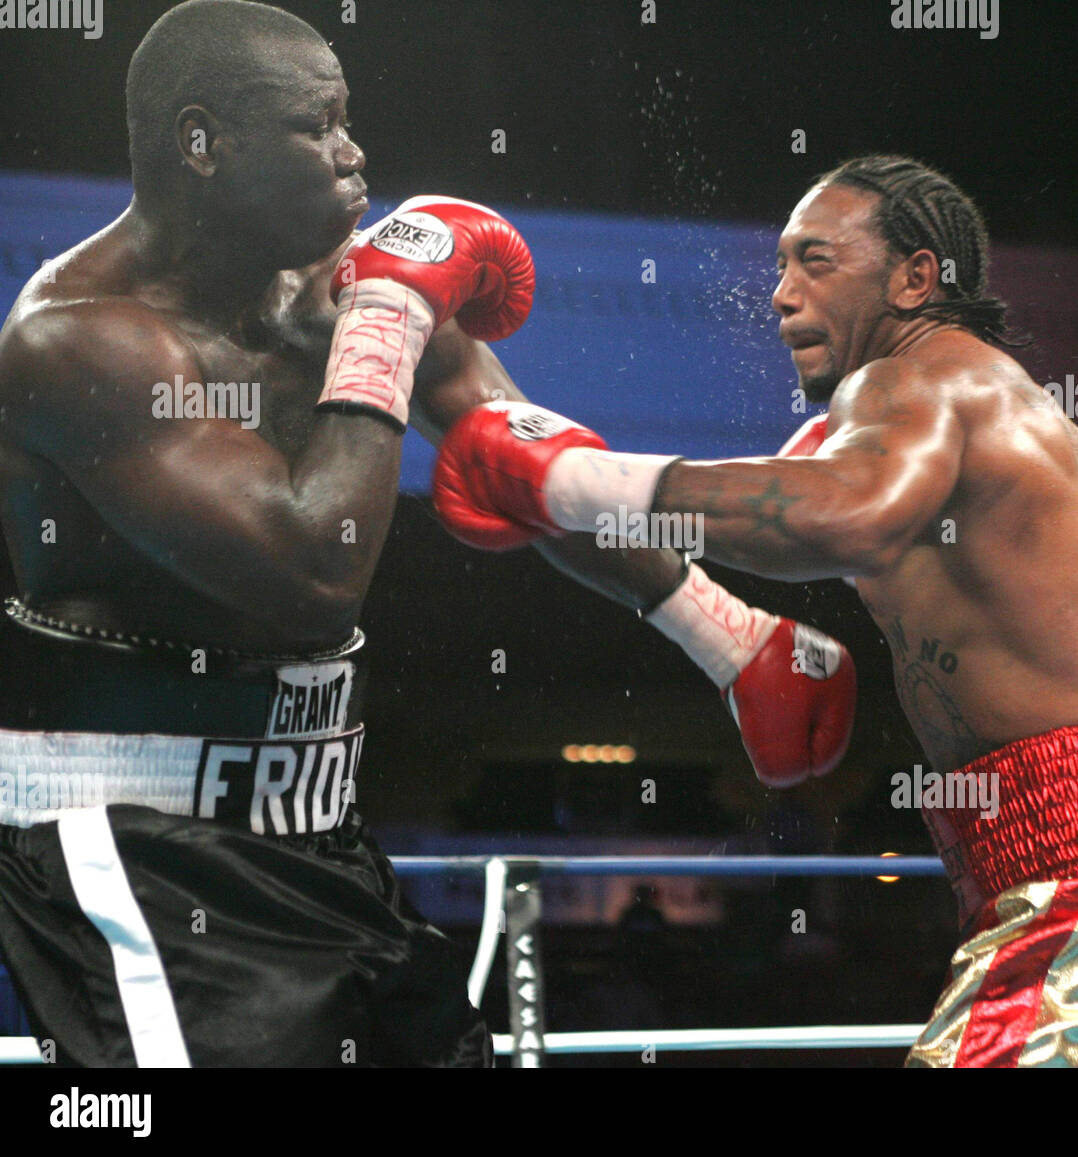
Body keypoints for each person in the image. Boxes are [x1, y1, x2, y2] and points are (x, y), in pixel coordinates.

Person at [0, 0, 854, 1067]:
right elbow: (313, 570)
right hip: (136, 838)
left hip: (323, 831)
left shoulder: (339, 294)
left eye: (350, 118)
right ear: (201, 143)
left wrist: (730, 635)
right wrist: (388, 321)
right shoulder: (80, 339)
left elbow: (525, 463)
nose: (356, 155)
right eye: (319, 126)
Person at [433, 154, 1078, 1067]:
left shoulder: (920, 382)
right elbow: (783, 510)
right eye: (777, 266)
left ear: (916, 277)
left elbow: (848, 516)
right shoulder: (990, 407)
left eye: (815, 261)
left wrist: (564, 476)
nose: (779, 293)